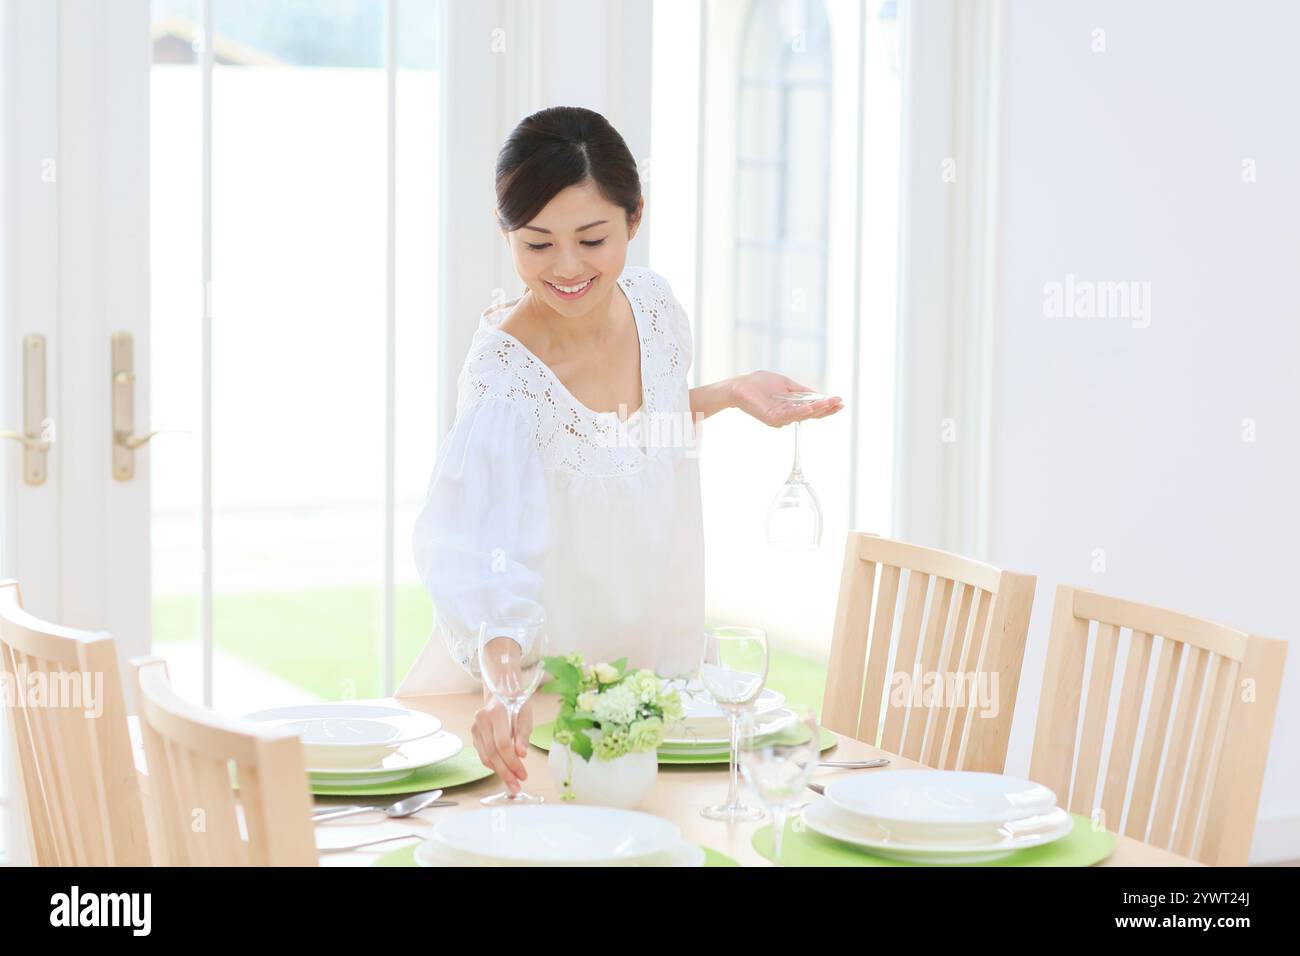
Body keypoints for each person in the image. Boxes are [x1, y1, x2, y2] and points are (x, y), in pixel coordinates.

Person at [409, 106, 843, 792]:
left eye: (591, 237)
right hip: (540, 711)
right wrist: (502, 688)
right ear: (508, 236)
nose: (568, 267)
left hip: (648, 697)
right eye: (537, 244)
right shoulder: (503, 379)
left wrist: (727, 393)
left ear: (634, 219)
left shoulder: (655, 308)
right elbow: (479, 556)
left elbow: (623, 435)